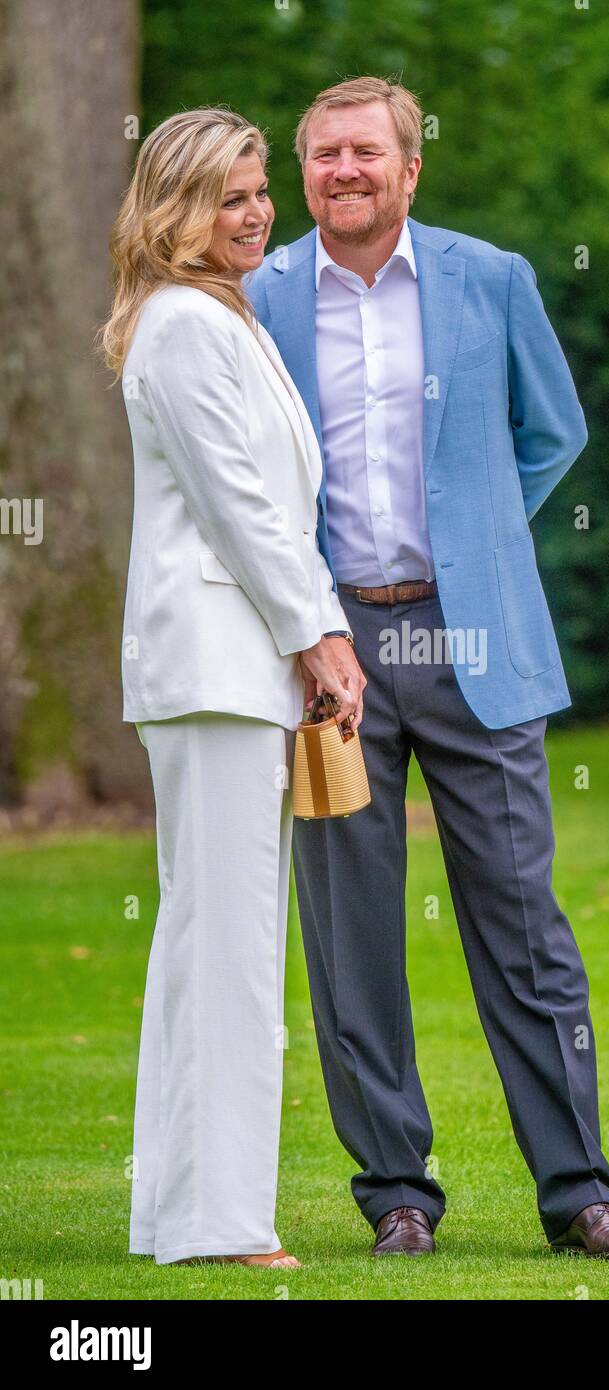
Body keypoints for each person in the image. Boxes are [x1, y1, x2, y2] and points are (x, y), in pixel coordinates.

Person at [247, 76, 609, 1259]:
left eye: (365, 152)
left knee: (523, 922)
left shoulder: (492, 279)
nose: (344, 172)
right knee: (349, 931)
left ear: (408, 168)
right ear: (304, 169)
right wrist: (310, 618)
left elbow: (553, 431)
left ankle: (579, 1189)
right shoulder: (261, 295)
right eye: (323, 155)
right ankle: (396, 1194)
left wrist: (477, 545)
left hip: (474, 639)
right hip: (326, 650)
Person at [99, 106, 365, 1269]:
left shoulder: (214, 314)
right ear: (174, 205)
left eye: (260, 192)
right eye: (228, 194)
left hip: (223, 663)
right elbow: (244, 511)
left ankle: (175, 1212)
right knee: (231, 946)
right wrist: (322, 636)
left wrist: (305, 636)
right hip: (214, 663)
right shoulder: (184, 325)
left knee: (206, 937)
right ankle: (218, 1225)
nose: (254, 213)